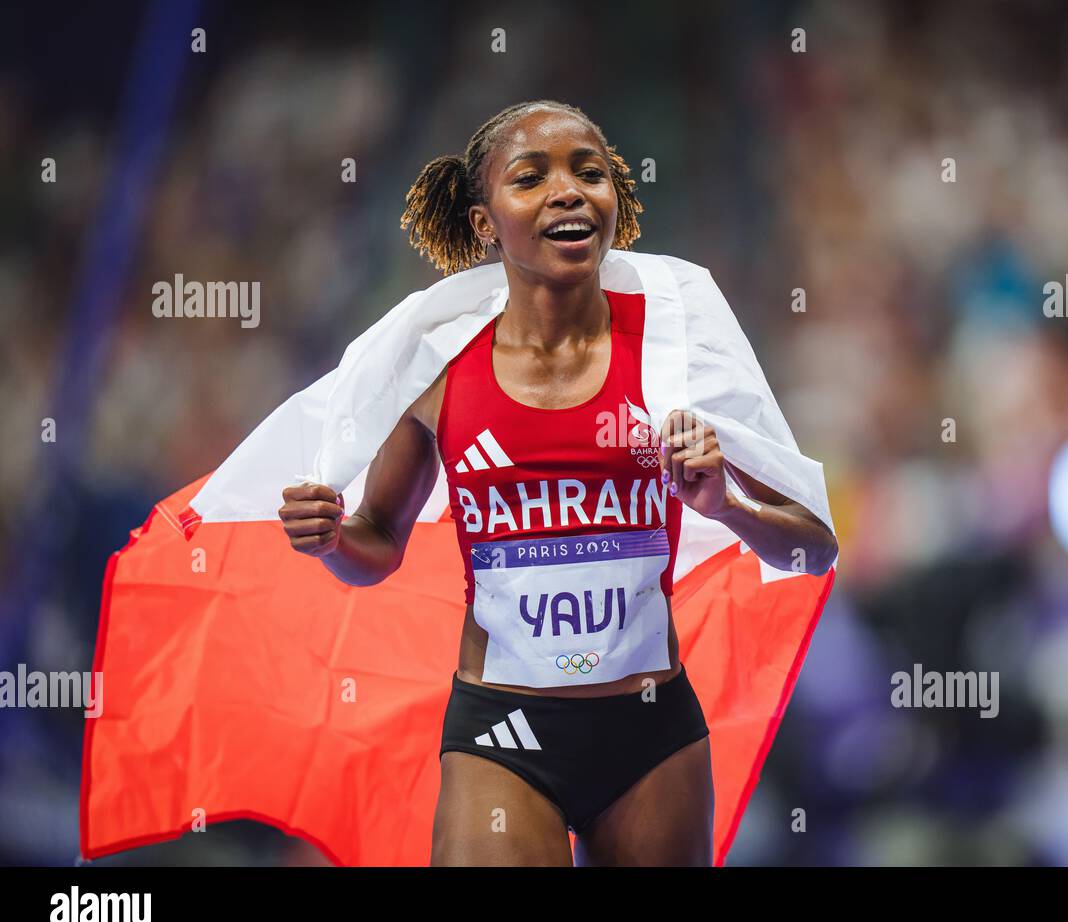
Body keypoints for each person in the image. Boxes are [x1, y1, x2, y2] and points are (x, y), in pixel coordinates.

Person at [277, 99, 837, 866]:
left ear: (615, 201)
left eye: (590, 172)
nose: (569, 191)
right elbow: (376, 544)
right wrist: (332, 540)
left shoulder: (676, 351)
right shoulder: (437, 372)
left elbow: (812, 551)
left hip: (651, 735)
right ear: (484, 223)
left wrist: (725, 507)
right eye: (531, 177)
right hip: (501, 733)